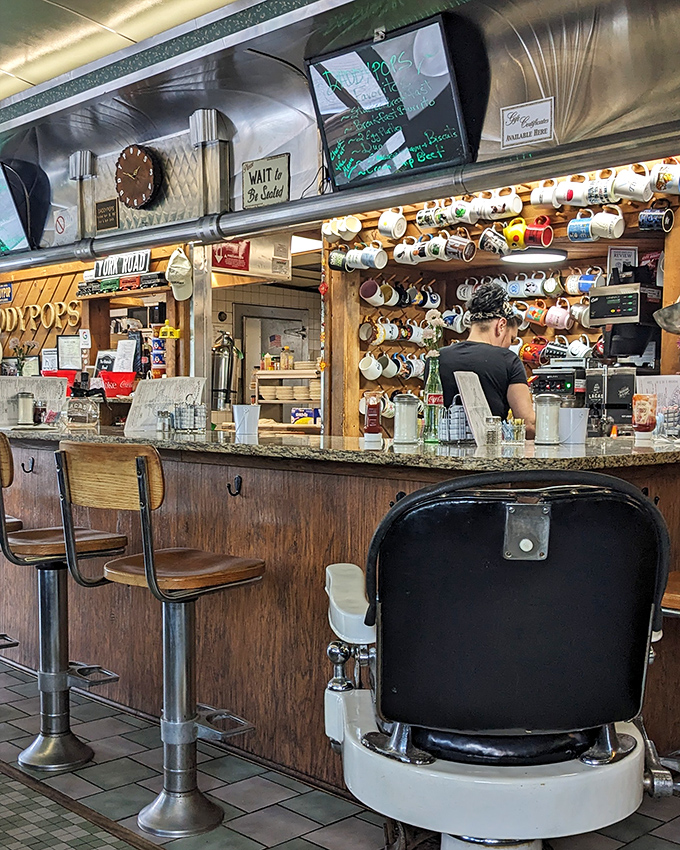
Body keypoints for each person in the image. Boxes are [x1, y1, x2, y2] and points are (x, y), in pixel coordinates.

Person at [439, 282, 536, 439]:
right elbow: (528, 425)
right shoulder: (508, 360)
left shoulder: (437, 357)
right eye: (511, 339)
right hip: (489, 454)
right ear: (501, 325)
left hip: (441, 455)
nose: (508, 345)